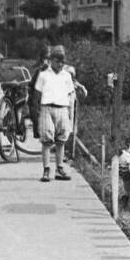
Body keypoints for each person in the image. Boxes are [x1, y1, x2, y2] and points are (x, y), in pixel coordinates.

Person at [33, 46, 84, 182]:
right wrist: (36, 111)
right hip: (46, 108)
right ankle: (46, 169)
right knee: (47, 139)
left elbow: (70, 94)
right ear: (51, 61)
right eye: (57, 61)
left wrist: (69, 113)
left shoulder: (66, 75)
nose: (60, 64)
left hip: (62, 108)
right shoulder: (44, 75)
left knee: (61, 139)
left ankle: (59, 168)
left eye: (62, 62)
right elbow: (37, 94)